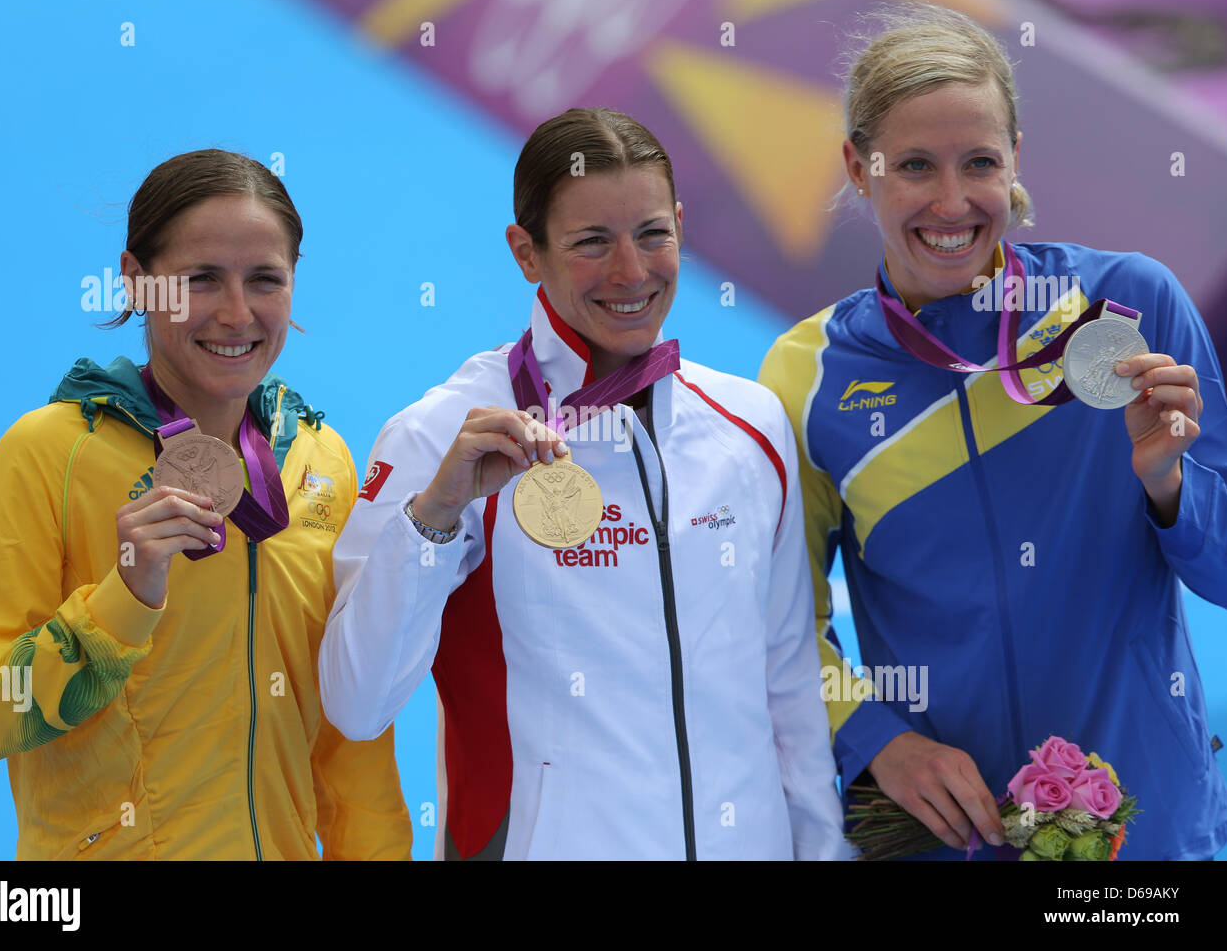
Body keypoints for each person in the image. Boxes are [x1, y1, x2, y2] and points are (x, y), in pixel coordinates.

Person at [760, 3, 1227, 860]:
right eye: (913, 166)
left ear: (1015, 156)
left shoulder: (1128, 308)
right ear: (858, 169)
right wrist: (872, 738)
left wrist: (1170, 486)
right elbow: (777, 615)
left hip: (1144, 828)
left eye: (979, 161)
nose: (951, 202)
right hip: (944, 835)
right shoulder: (806, 374)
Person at [319, 107, 849, 860]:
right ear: (525, 252)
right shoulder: (443, 437)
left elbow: (789, 683)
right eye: (591, 243)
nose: (631, 272)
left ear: (681, 227)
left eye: (653, 234)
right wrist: (432, 516)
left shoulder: (748, 424)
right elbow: (356, 702)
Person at [0, 149, 412, 860]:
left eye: (265, 280)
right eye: (201, 280)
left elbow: (350, 740)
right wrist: (117, 604)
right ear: (136, 281)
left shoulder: (322, 462)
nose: (236, 313)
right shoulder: (48, 456)